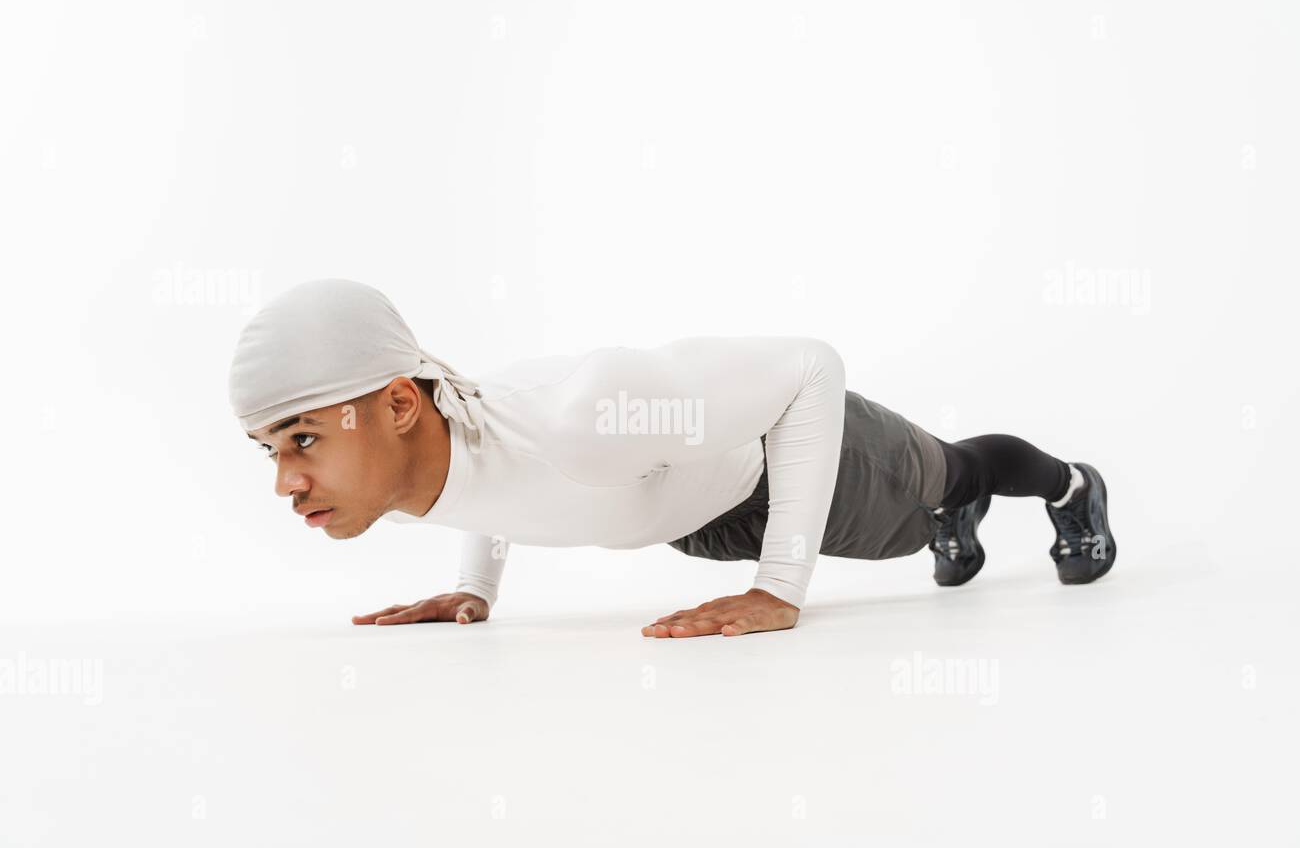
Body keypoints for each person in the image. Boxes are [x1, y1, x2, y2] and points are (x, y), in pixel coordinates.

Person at [230, 279, 1116, 640]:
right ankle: (950, 521)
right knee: (926, 522)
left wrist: (781, 587)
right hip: (705, 522)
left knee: (958, 470)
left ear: (395, 405)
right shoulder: (442, 435)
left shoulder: (582, 421)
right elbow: (489, 488)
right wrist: (479, 591)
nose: (284, 481)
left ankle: (1074, 487)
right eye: (269, 449)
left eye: (302, 437)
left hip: (797, 458)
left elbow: (811, 368)